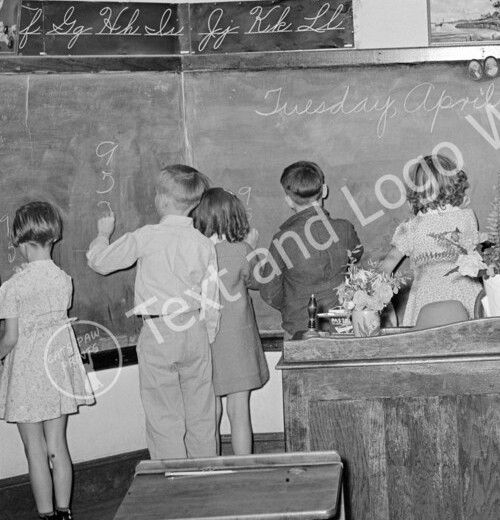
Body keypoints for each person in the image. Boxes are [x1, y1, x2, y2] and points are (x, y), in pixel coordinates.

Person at [87, 164, 219, 460]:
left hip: (159, 330)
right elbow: (212, 296)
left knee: (163, 413)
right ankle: (206, 474)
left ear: (164, 200)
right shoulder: (203, 243)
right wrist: (207, 333)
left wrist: (102, 234)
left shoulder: (147, 236)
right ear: (195, 203)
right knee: (201, 411)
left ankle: (172, 476)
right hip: (194, 328)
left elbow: (100, 262)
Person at [0, 202, 94, 520]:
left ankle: (46, 515)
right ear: (53, 238)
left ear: (21, 242)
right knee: (57, 446)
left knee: (35, 450)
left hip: (26, 375)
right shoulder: (63, 279)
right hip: (57, 369)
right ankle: (64, 512)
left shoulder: (12, 287)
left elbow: (10, 338)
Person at [192, 188, 270, 455]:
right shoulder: (242, 250)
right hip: (238, 341)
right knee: (239, 410)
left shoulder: (195, 251)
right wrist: (253, 248)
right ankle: (244, 468)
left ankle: (211, 466)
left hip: (205, 340)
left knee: (209, 412)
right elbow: (259, 281)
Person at [379, 153, 482, 326]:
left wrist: (386, 309)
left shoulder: (410, 228)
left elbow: (384, 270)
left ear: (416, 190)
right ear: (452, 183)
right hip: (466, 299)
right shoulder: (467, 218)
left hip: (424, 305)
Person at [258, 160, 359, 337]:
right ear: (324, 191)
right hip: (342, 325)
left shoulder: (282, 241)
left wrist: (294, 305)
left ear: (289, 201)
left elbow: (269, 292)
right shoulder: (345, 229)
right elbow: (356, 257)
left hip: (300, 328)